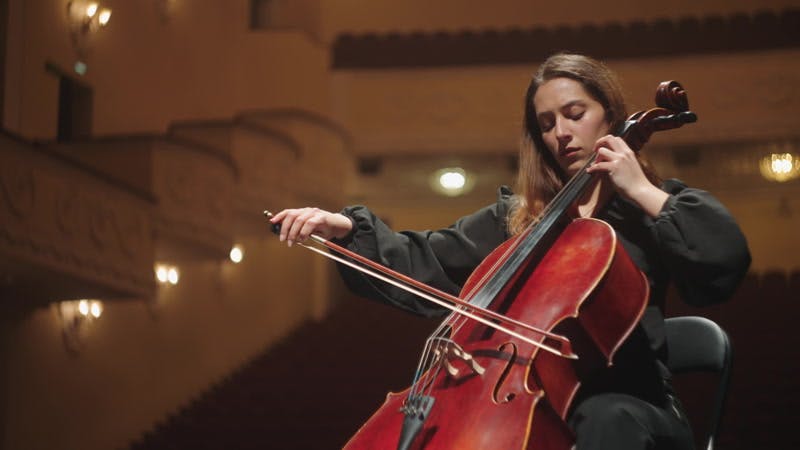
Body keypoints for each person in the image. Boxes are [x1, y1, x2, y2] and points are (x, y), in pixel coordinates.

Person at [270, 53, 751, 449]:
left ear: (611, 115)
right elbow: (428, 258)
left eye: (574, 114)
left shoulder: (650, 209)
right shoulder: (520, 219)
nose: (561, 132)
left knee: (605, 419)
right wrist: (344, 228)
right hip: (529, 398)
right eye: (546, 124)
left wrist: (641, 191)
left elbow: (722, 263)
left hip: (631, 402)